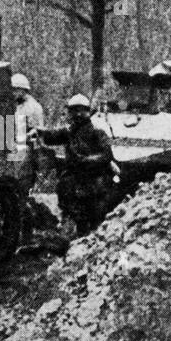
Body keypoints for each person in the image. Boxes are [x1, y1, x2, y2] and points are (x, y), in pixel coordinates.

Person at [30, 94, 116, 236]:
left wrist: (86, 160)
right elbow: (52, 136)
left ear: (88, 111)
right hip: (75, 180)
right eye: (74, 111)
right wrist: (38, 131)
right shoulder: (70, 131)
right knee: (73, 209)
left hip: (94, 179)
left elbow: (107, 155)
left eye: (81, 110)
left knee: (95, 216)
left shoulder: (97, 130)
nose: (78, 114)